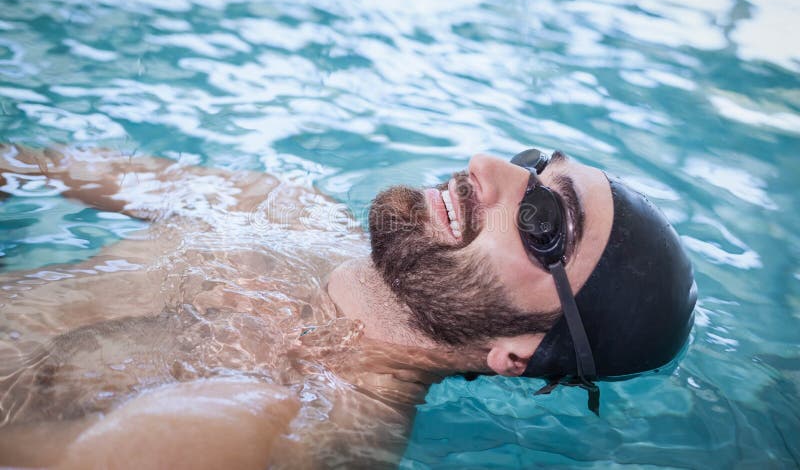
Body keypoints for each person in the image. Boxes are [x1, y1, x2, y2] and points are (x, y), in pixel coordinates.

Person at [0, 143, 696, 468]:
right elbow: (32, 166)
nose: (485, 166)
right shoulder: (283, 208)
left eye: (543, 221)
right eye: (532, 161)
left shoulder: (271, 429)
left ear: (517, 354)